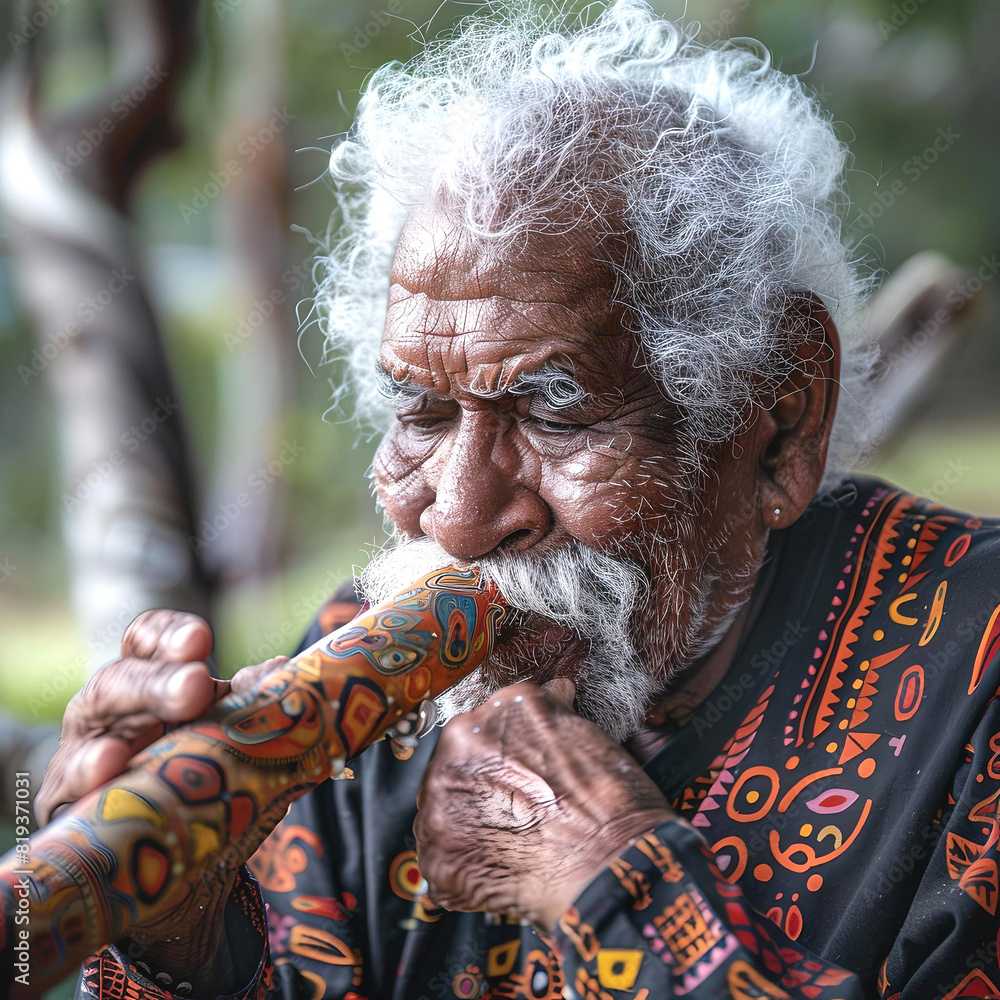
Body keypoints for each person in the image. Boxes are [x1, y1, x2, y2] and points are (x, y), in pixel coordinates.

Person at [36, 3, 1000, 998]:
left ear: (778, 419)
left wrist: (612, 882)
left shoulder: (983, 675)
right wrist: (180, 944)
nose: (455, 517)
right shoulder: (366, 684)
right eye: (421, 413)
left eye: (557, 415)